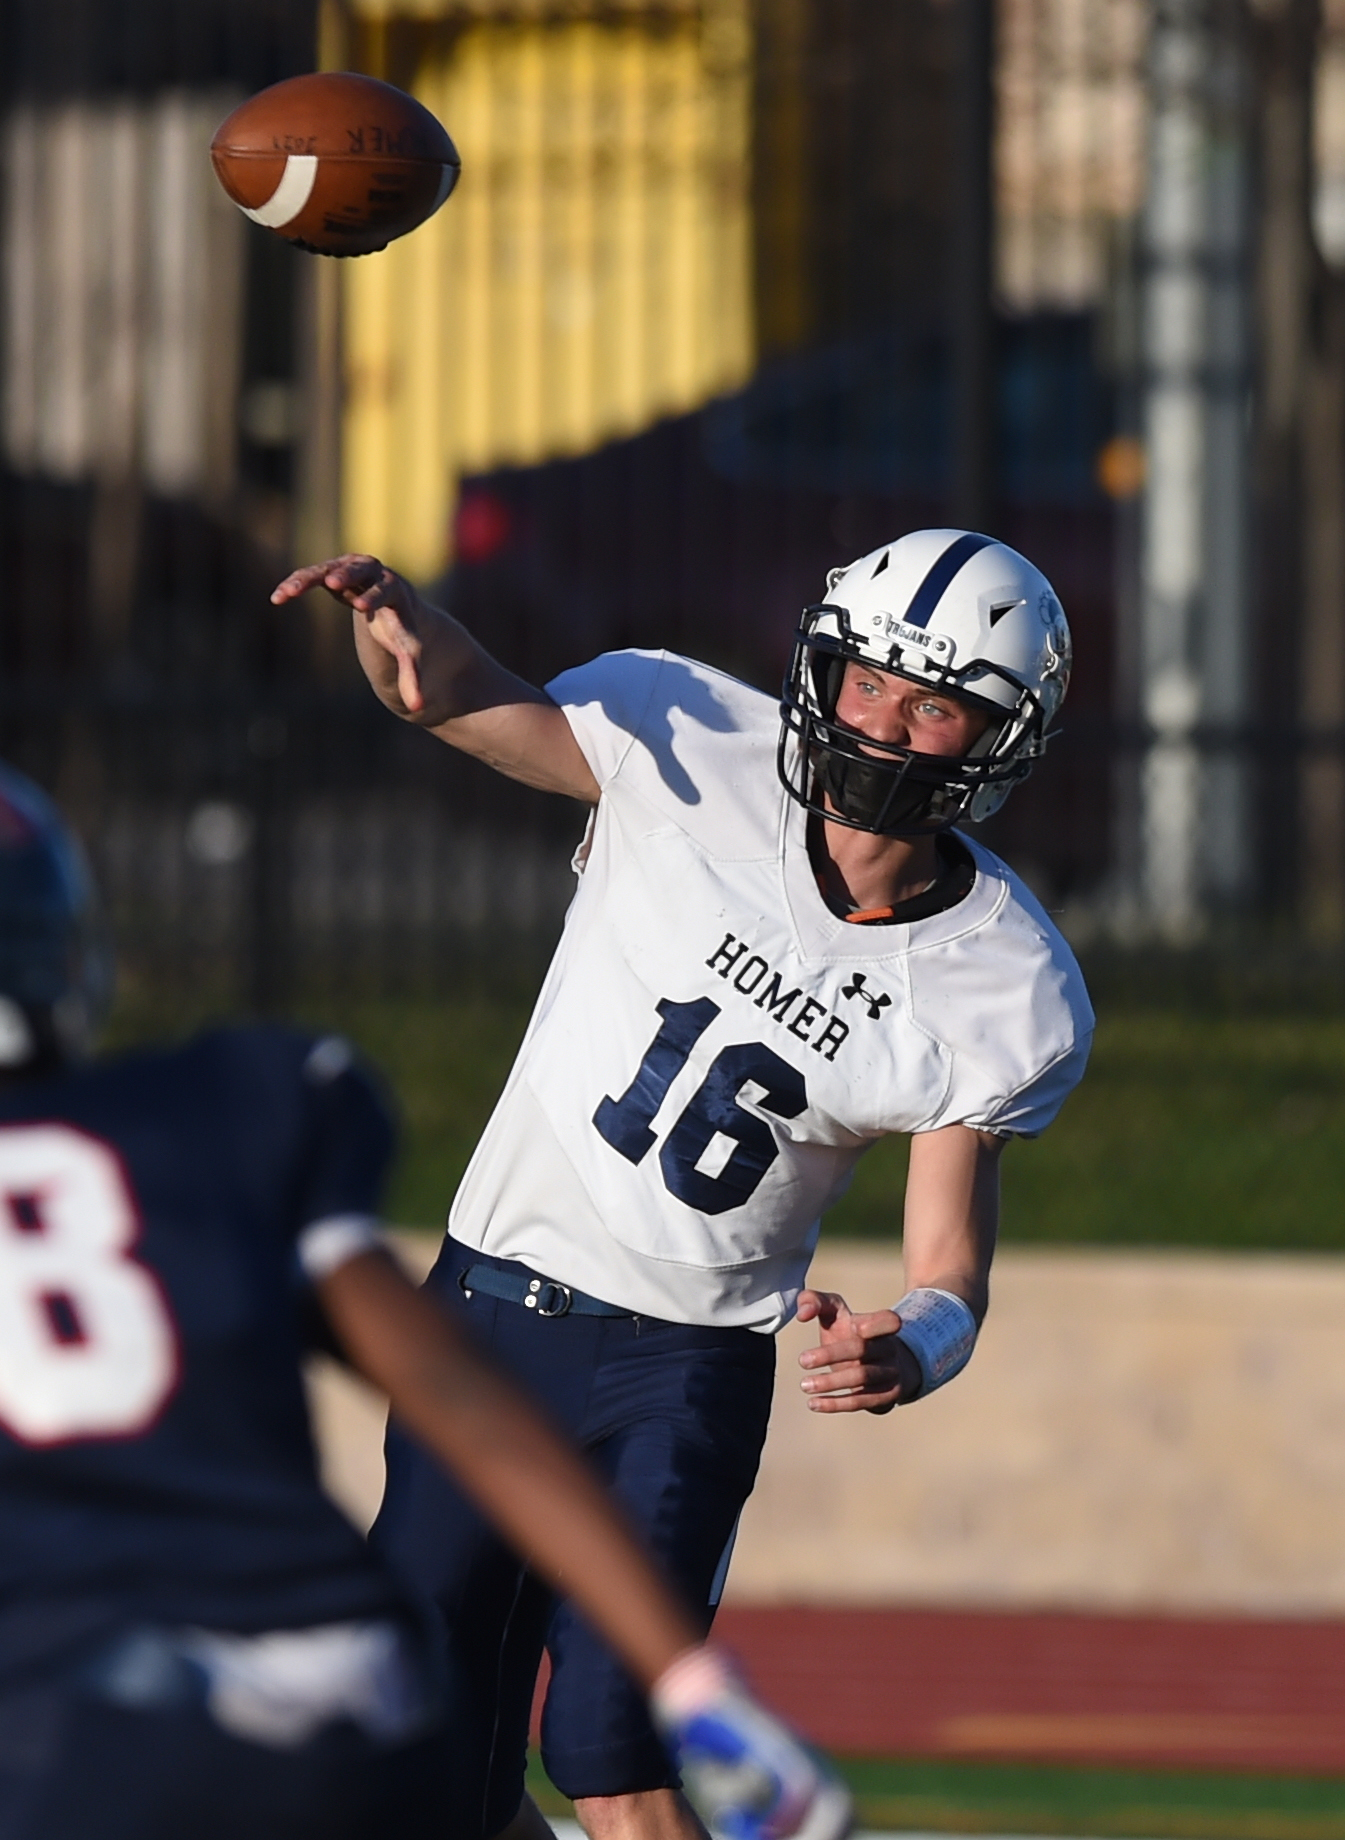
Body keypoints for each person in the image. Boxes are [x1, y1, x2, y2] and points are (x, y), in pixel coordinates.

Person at [273, 527, 1094, 1840]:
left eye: (932, 705)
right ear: (819, 664)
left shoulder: (1006, 988)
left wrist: (915, 1345)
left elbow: (951, 1268)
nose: (882, 724)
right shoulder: (686, 735)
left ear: (999, 737)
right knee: (426, 1764)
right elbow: (470, 701)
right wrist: (405, 651)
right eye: (868, 680)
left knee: (610, 1748)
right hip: (481, 1318)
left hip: (680, 1366)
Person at [0, 760, 850, 1840]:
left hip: (92, 1722)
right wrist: (696, 1690)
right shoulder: (219, 1112)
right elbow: (461, 1390)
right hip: (345, 1706)